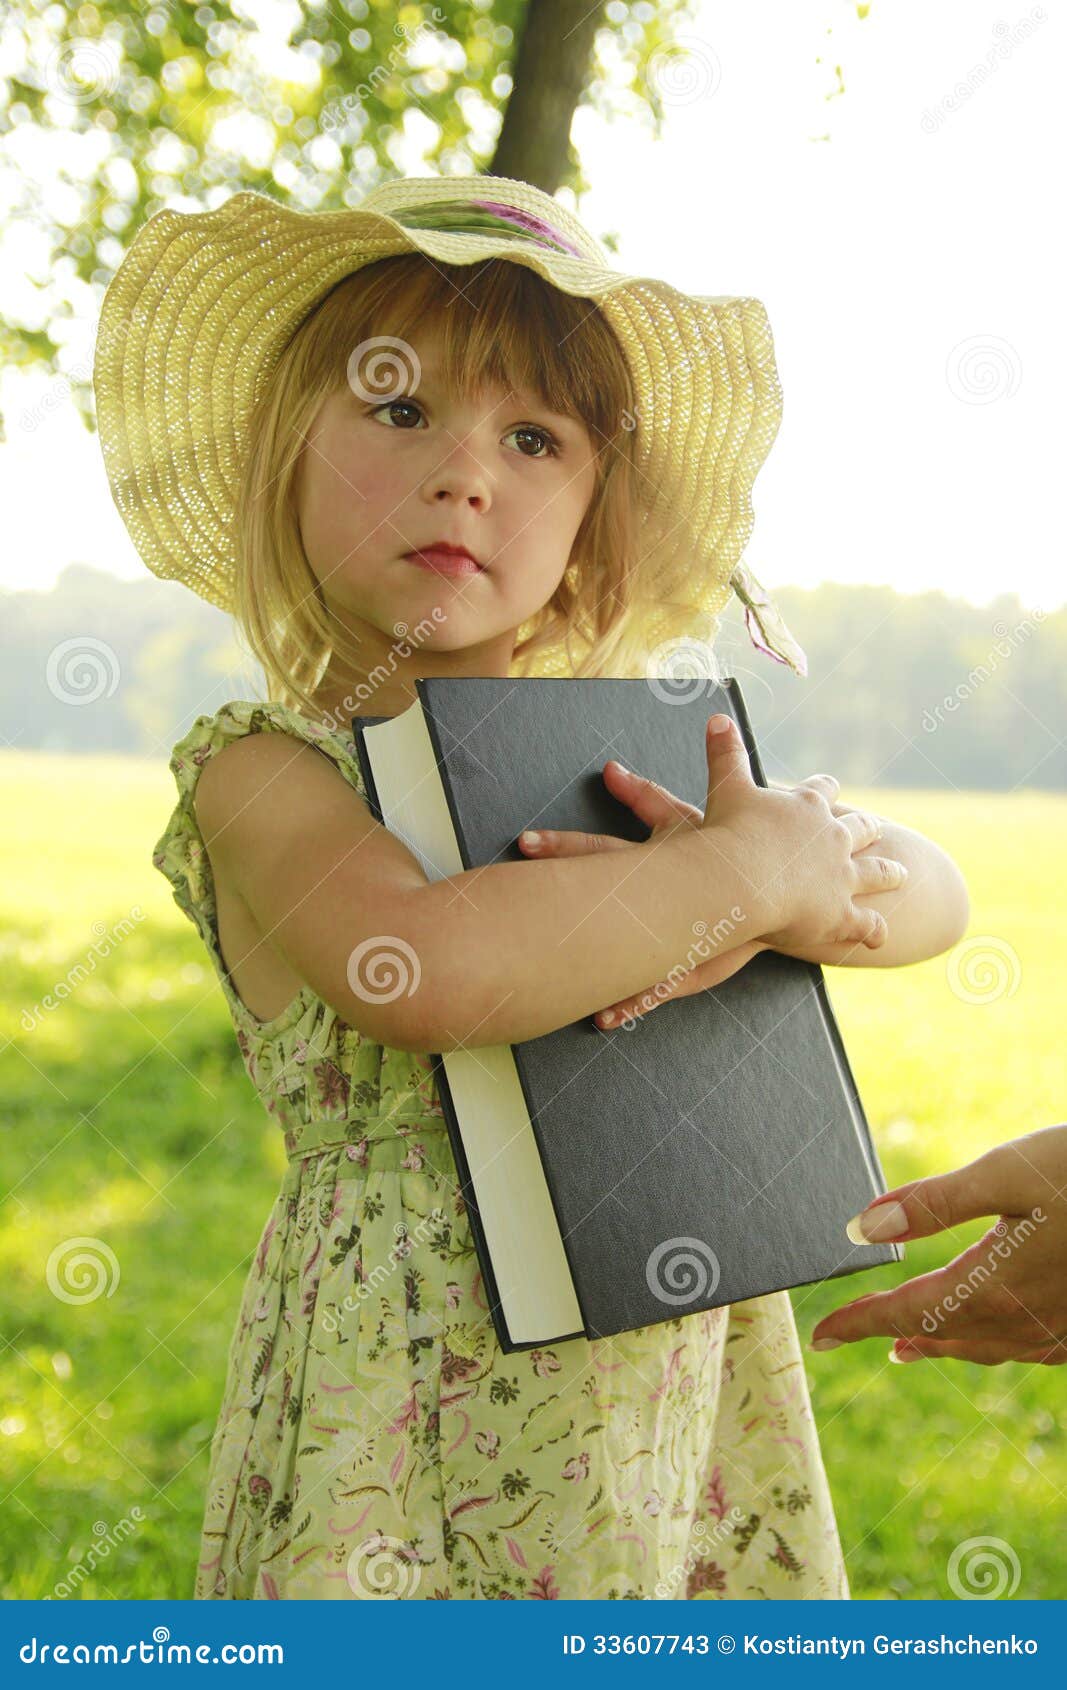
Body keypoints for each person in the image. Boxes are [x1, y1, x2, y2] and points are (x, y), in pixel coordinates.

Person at [92, 176, 969, 1601]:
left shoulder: (627, 767)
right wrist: (736, 875)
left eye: (533, 436)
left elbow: (932, 892)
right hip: (411, 1402)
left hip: (660, 1360)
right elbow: (429, 967)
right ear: (283, 461)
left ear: (592, 519)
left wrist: (801, 889)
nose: (464, 472)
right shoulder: (265, 770)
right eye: (398, 407)